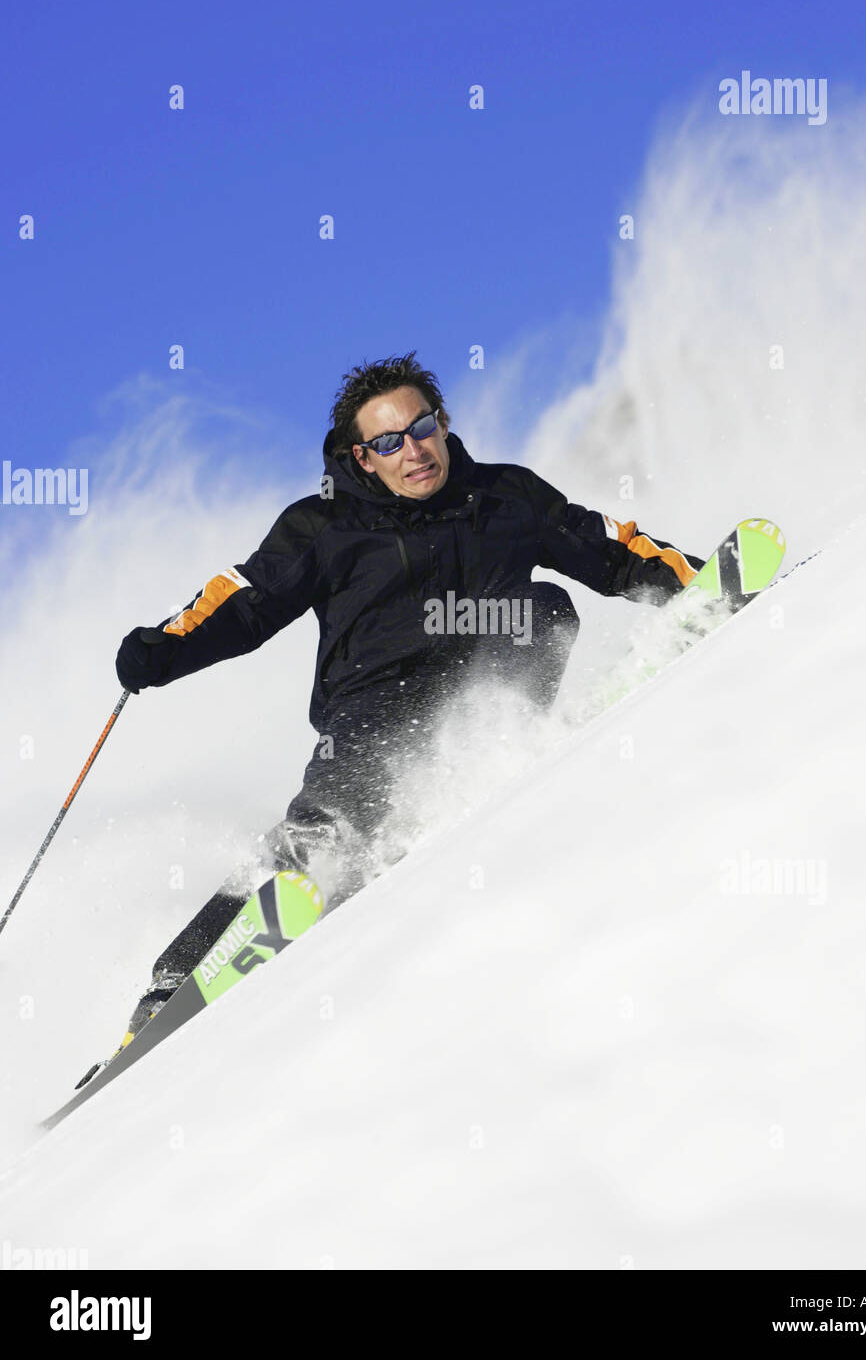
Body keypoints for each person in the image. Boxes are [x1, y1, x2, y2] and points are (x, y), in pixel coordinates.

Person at [113, 352, 703, 1042]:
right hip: (373, 702)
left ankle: (497, 755)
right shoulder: (321, 526)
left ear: (442, 423)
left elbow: (610, 548)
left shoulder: (506, 495)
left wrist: (699, 590)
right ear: (362, 458)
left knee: (542, 605)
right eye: (388, 441)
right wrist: (164, 649)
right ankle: (174, 988)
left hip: (486, 685)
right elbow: (245, 602)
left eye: (420, 428)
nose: (412, 450)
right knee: (328, 824)